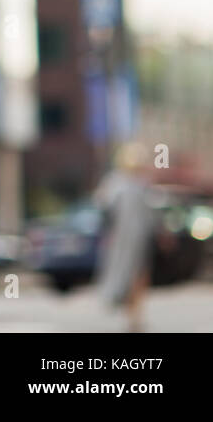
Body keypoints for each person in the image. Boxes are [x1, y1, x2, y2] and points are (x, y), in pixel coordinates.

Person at [92, 141, 158, 332]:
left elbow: (150, 214)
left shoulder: (141, 184)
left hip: (140, 239)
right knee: (126, 275)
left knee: (139, 278)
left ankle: (134, 316)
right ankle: (126, 310)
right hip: (122, 238)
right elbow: (105, 210)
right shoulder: (116, 183)